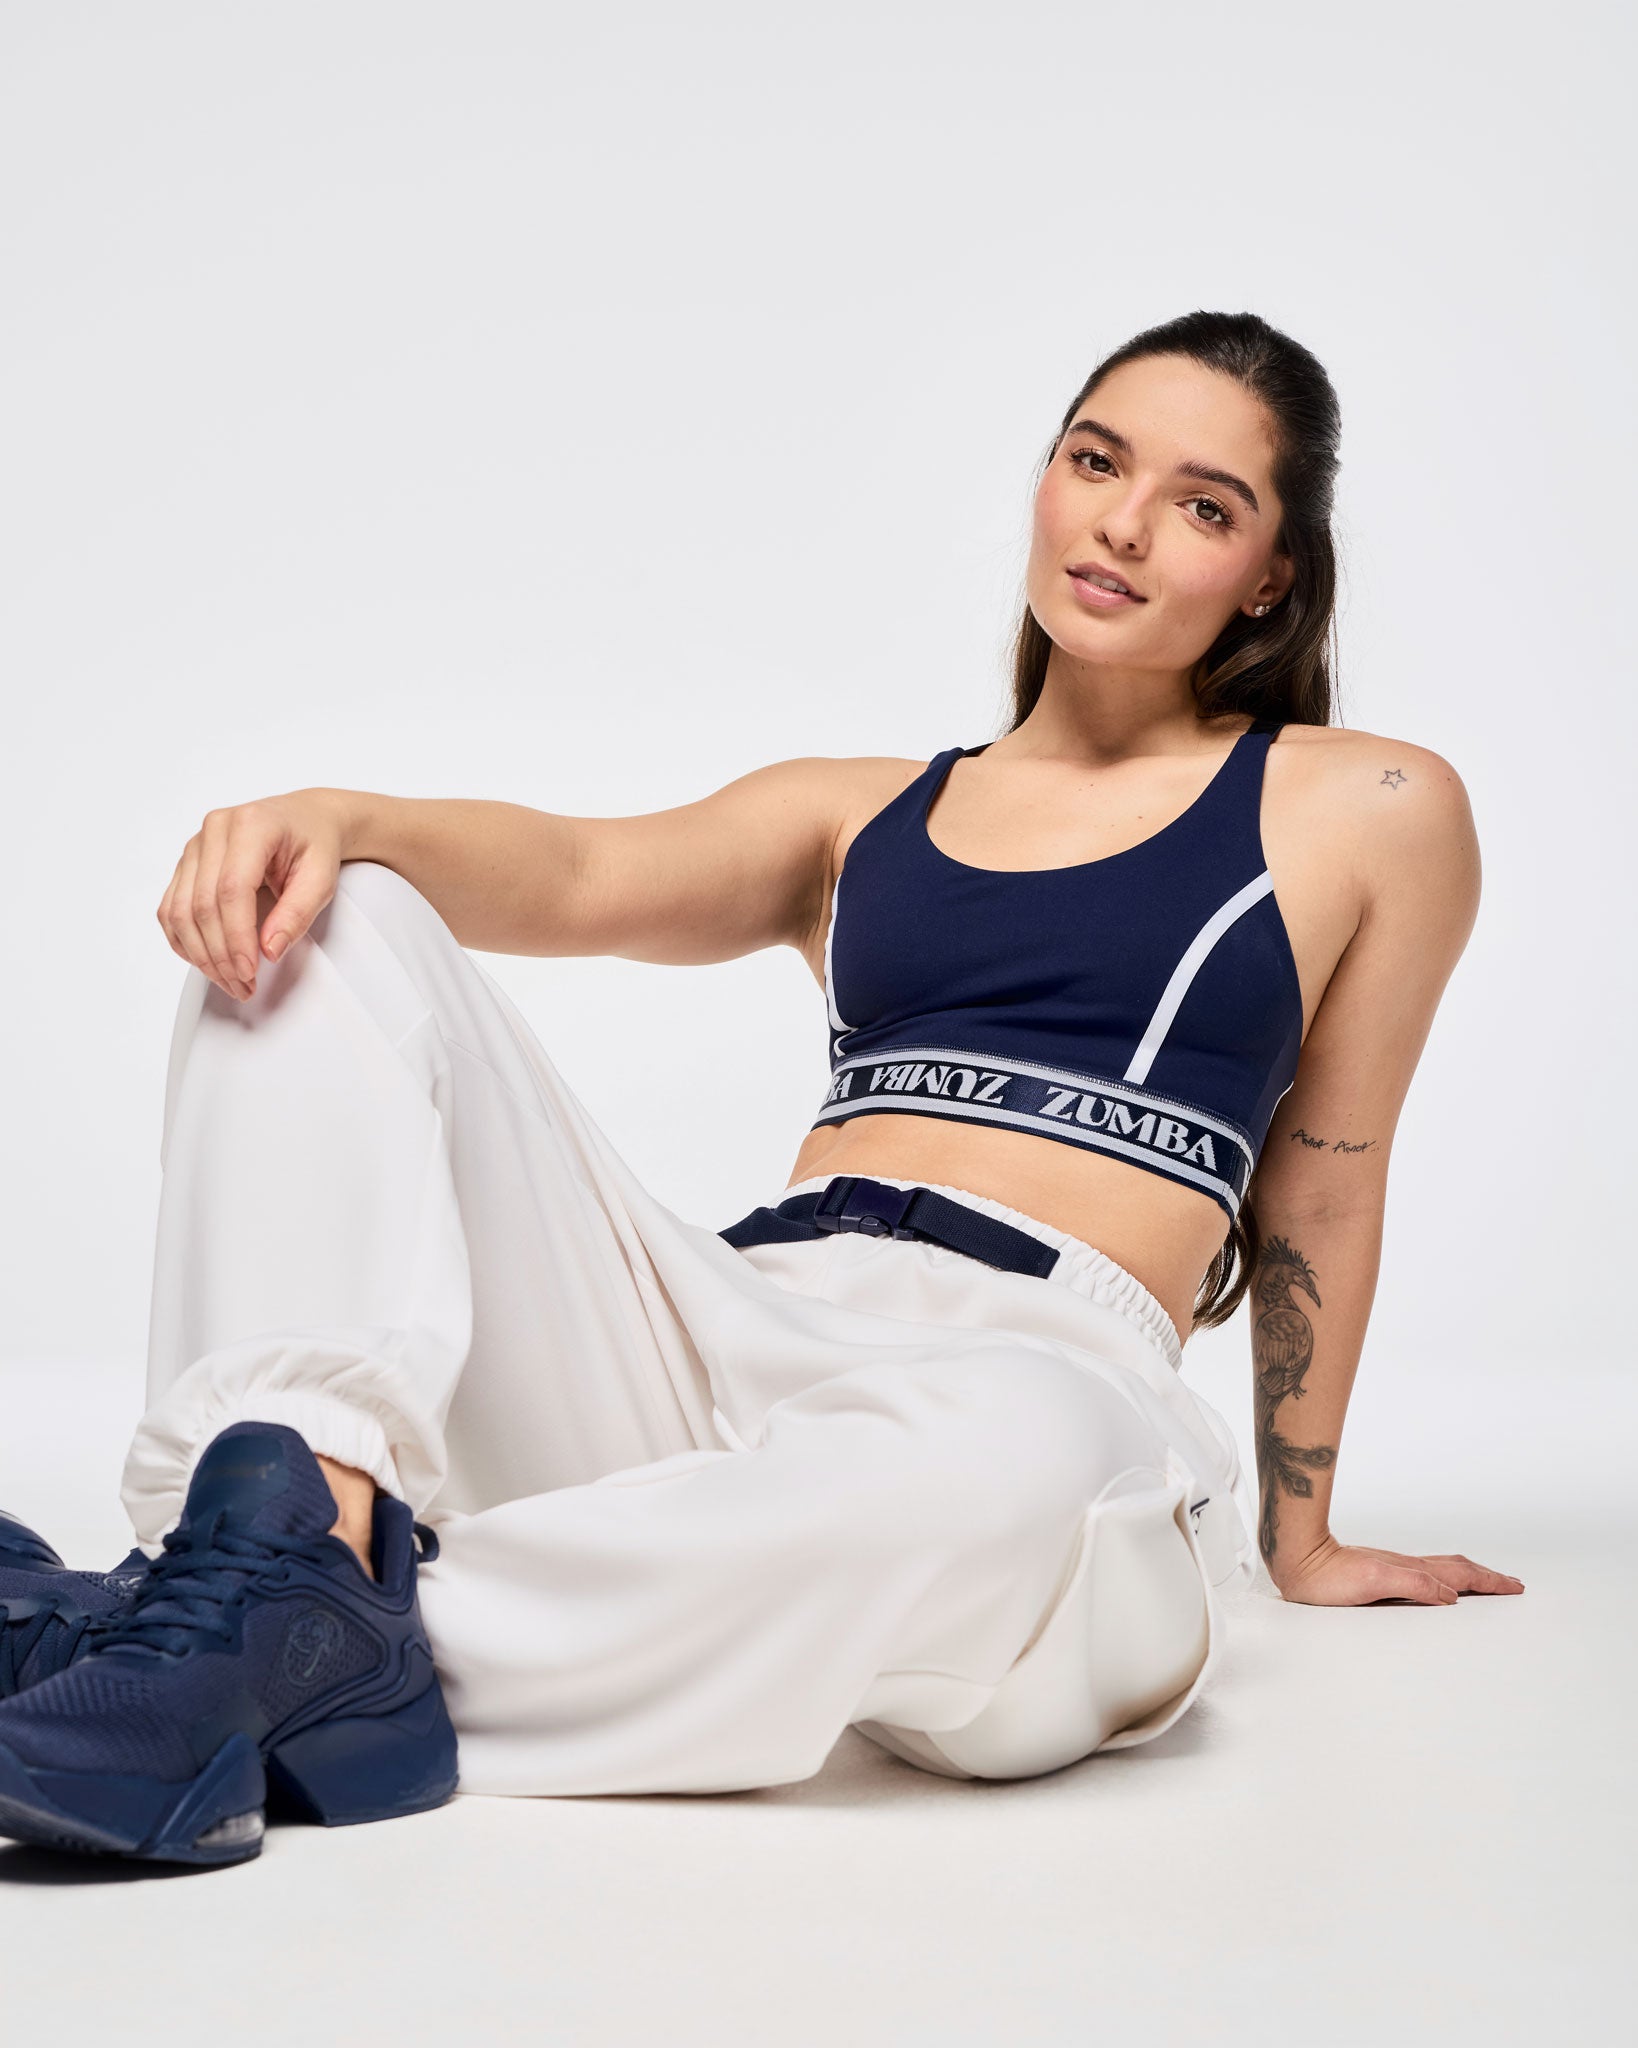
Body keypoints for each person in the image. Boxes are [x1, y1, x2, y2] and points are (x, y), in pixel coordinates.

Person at [0, 308, 1523, 1867]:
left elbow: (1326, 1177)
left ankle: (184, 1636)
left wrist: (1298, 1536)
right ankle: (259, 1572)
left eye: (1202, 505)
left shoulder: (1366, 803)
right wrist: (338, 815)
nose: (1124, 524)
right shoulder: (855, 812)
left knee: (1028, 1470)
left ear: (1269, 574)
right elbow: (580, 873)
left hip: (1033, 1361)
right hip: (732, 1328)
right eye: (1094, 462)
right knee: (327, 918)